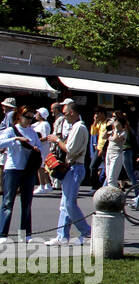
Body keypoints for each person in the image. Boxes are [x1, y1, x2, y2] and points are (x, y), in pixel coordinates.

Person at [44, 99, 91, 245]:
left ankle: (86, 231)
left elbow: (70, 149)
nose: (63, 117)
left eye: (65, 114)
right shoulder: (76, 127)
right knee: (65, 204)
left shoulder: (78, 127)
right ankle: (62, 236)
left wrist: (57, 140)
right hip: (72, 167)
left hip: (75, 167)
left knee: (69, 203)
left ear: (72, 112)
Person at [0, 105, 42, 244]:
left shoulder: (33, 132)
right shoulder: (11, 130)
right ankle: (2, 234)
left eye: (31, 117)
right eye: (27, 117)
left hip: (28, 169)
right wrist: (16, 139)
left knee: (27, 203)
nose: (29, 120)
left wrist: (36, 149)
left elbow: (40, 148)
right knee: (7, 202)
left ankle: (25, 234)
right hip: (13, 168)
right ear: (19, 116)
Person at [103, 112, 139, 191]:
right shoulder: (112, 131)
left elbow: (116, 138)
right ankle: (111, 194)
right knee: (108, 176)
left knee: (112, 179)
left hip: (116, 155)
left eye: (116, 120)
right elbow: (103, 136)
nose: (114, 121)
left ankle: (113, 196)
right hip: (109, 153)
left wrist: (114, 129)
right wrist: (108, 128)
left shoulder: (123, 132)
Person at [32, 107, 54, 194]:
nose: (36, 114)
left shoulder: (45, 124)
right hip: (39, 147)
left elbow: (46, 137)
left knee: (40, 167)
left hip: (43, 148)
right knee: (42, 167)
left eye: (38, 113)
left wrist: (36, 141)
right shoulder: (37, 124)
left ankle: (42, 186)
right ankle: (47, 184)